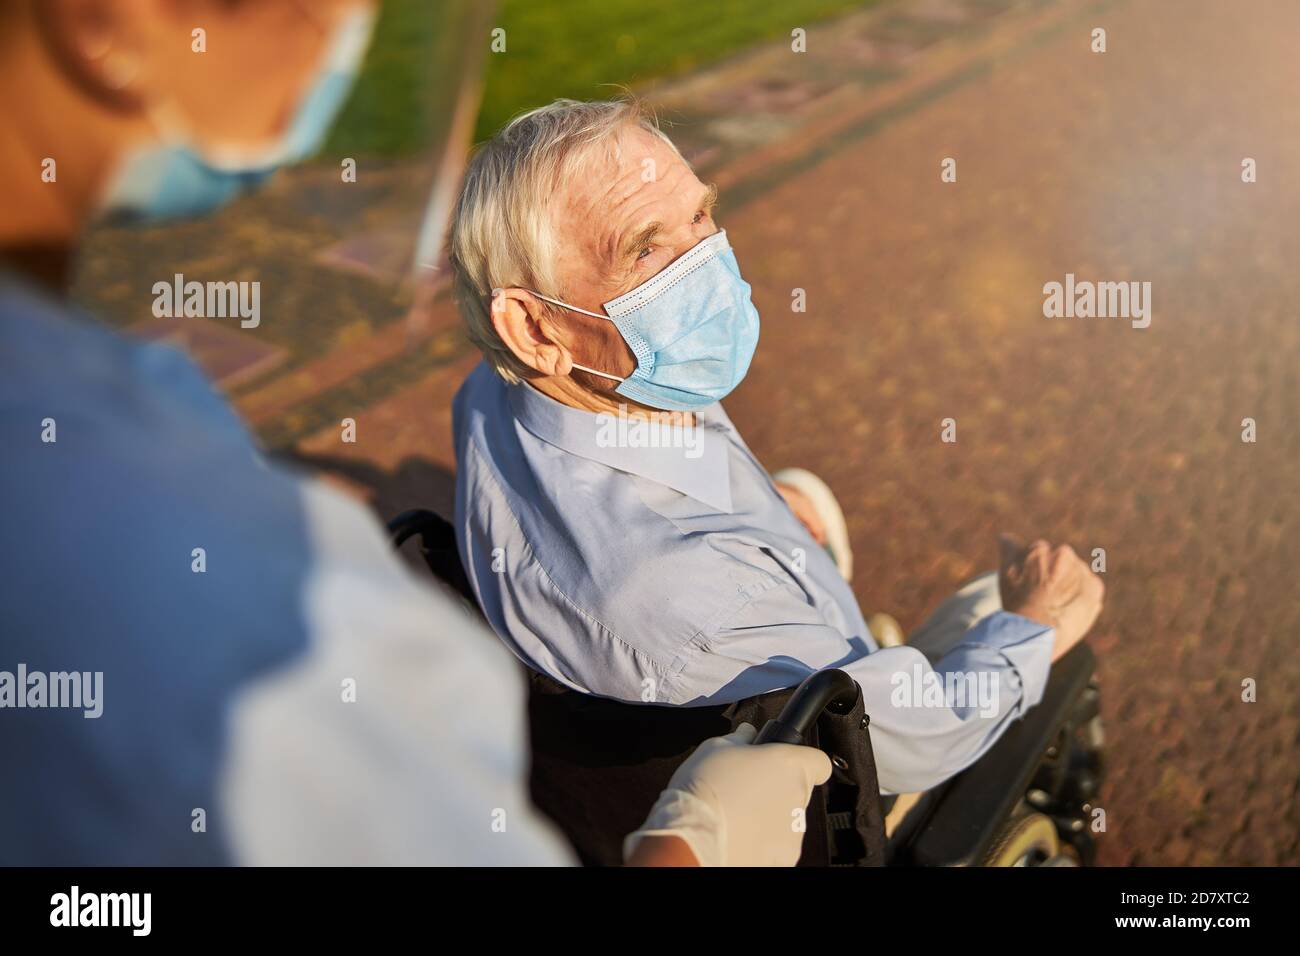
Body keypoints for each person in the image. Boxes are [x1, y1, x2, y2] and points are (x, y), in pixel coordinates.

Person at [0, 0, 832, 867]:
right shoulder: (158, 554)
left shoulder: (113, 414)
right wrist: (688, 848)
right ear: (109, 19)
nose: (346, 26)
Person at [448, 98, 1107, 796]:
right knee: (1020, 603)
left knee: (793, 501)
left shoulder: (492, 394)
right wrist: (1030, 627)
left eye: (699, 215)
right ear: (532, 328)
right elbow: (914, 741)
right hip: (855, 774)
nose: (706, 265)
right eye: (645, 248)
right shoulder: (697, 601)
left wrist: (762, 512)